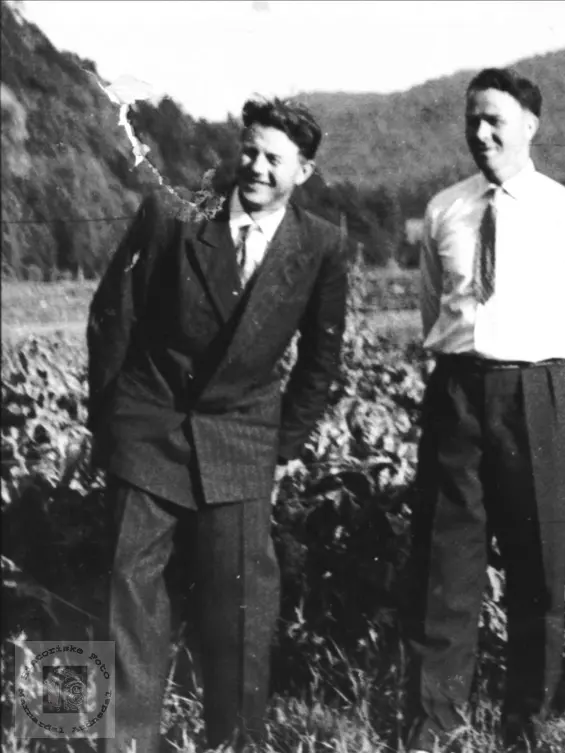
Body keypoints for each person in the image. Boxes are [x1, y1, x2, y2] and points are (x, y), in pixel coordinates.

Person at [87, 97, 349, 752]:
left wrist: (285, 444)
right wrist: (109, 421)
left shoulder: (320, 244)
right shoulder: (174, 212)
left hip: (241, 440)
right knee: (123, 595)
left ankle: (238, 743)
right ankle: (104, 740)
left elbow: (321, 358)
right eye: (250, 151)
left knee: (240, 610)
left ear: (305, 172)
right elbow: (111, 314)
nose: (255, 168)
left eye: (274, 159)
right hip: (147, 427)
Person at [403, 67, 565, 753]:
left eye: (495, 118)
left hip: (541, 396)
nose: (482, 132)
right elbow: (434, 306)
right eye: (472, 119)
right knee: (447, 568)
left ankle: (524, 729)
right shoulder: (445, 209)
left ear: (530, 124)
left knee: (537, 574)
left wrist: (560, 391)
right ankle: (433, 728)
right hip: (459, 395)